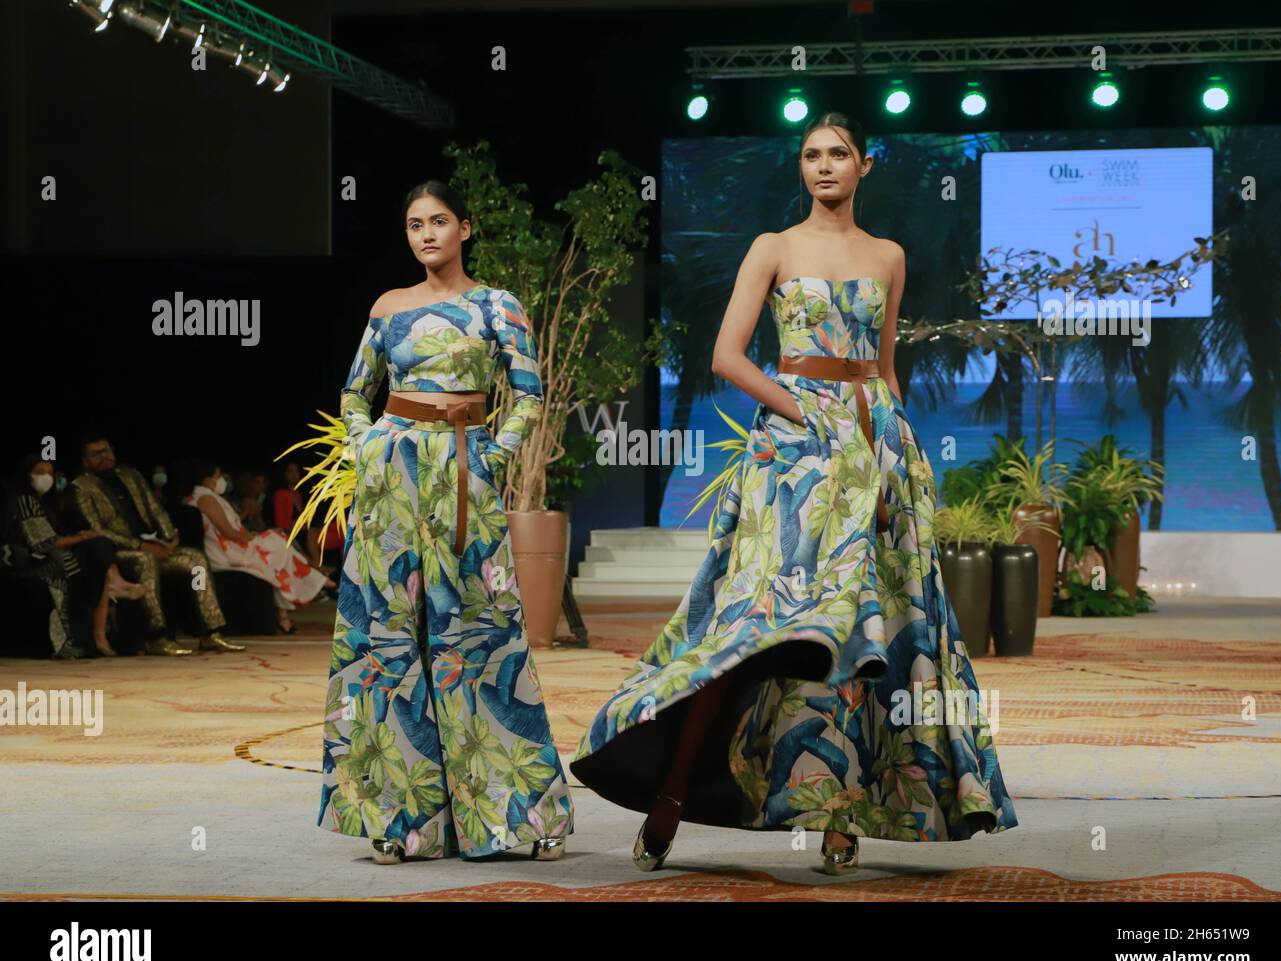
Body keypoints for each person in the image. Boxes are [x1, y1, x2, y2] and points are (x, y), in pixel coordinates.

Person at [570, 112, 1019, 873]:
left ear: (864, 165)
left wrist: (900, 450)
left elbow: (883, 368)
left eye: (838, 154)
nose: (824, 166)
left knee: (865, 633)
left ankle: (842, 815)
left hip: (875, 451)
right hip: (793, 455)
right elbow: (728, 356)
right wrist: (805, 413)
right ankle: (671, 791)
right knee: (749, 623)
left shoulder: (888, 256)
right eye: (811, 155)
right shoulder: (772, 247)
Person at [315, 180, 573, 864]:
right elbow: (353, 392)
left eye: (438, 221)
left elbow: (528, 395)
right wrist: (367, 448)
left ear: (465, 228)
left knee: (481, 634)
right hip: (392, 475)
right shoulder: (388, 307)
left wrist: (491, 457)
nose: (426, 234)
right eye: (414, 225)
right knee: (387, 639)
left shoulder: (497, 306)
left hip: (464, 472)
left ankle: (515, 816)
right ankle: (401, 820)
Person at [71, 433, 246, 657]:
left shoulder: (131, 476)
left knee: (196, 560)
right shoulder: (81, 487)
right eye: (96, 454)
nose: (104, 457)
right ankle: (157, 636)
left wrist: (168, 537)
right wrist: (140, 545)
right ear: (85, 461)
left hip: (153, 544)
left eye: (106, 451)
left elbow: (156, 510)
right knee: (146, 561)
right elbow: (97, 530)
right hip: (119, 552)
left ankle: (210, 631)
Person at [2, 455, 146, 657]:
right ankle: (109, 598)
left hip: (54, 554)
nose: (46, 477)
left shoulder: (49, 503)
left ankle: (104, 627)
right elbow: (44, 542)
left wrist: (82, 536)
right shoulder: (25, 500)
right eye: (40, 472)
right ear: (27, 475)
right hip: (33, 559)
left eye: (50, 473)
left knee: (100, 546)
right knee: (93, 550)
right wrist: (81, 537)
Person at [183, 459, 334, 633]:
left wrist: (251, 534)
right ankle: (315, 578)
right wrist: (250, 536)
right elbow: (229, 532)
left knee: (277, 545)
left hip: (231, 545)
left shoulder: (209, 497)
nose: (222, 480)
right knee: (277, 541)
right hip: (226, 552)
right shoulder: (206, 498)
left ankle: (287, 611)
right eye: (218, 476)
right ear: (206, 479)